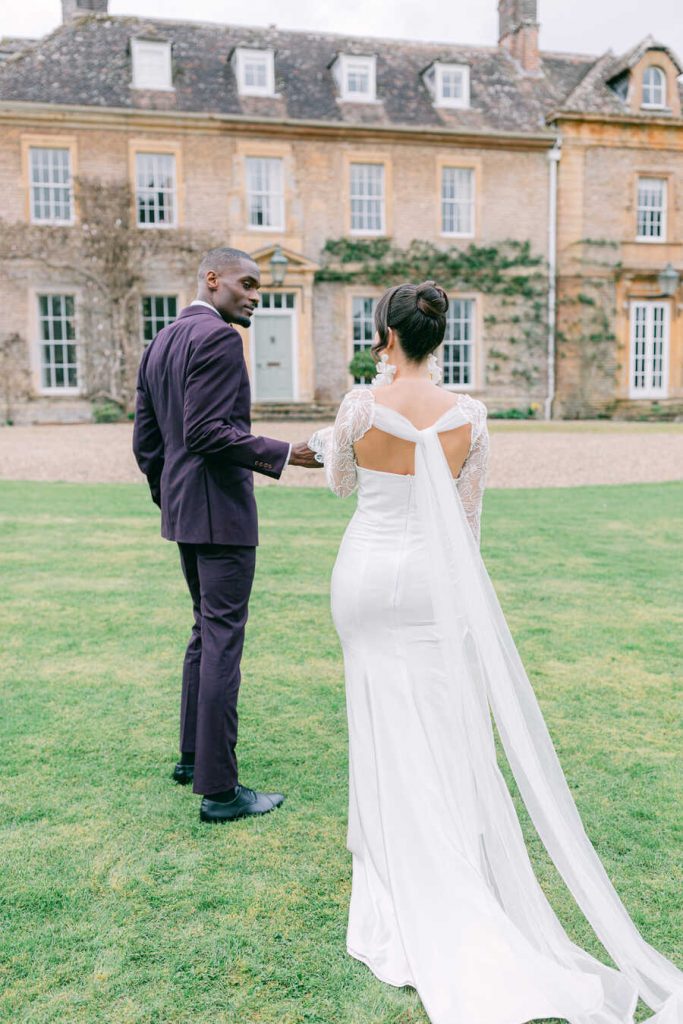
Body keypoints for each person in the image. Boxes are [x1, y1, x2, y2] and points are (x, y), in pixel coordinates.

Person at [308, 281, 683, 1024]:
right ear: (436, 339)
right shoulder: (470, 417)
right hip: (429, 584)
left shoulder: (357, 406)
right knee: (439, 730)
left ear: (385, 336)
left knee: (377, 719)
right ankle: (431, 859)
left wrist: (331, 446)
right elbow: (467, 519)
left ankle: (392, 873)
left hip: (362, 576)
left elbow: (340, 485)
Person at [133, 247, 320, 824]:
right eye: (246, 283)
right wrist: (287, 453)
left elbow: (147, 442)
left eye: (259, 287)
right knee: (221, 642)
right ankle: (220, 791)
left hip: (188, 513)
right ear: (212, 280)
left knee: (203, 634)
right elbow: (209, 432)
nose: (256, 296)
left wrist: (172, 499)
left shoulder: (162, 340)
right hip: (219, 517)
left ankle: (193, 758)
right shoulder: (216, 339)